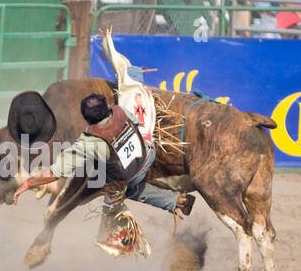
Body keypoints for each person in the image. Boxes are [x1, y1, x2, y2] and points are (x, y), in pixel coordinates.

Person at [12, 93, 193, 256]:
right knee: (124, 179)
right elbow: (137, 122)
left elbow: (55, 172)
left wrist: (29, 183)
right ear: (106, 107)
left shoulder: (89, 142)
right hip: (148, 154)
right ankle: (176, 200)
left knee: (125, 189)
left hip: (131, 174)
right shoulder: (119, 111)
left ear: (86, 118)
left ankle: (171, 201)